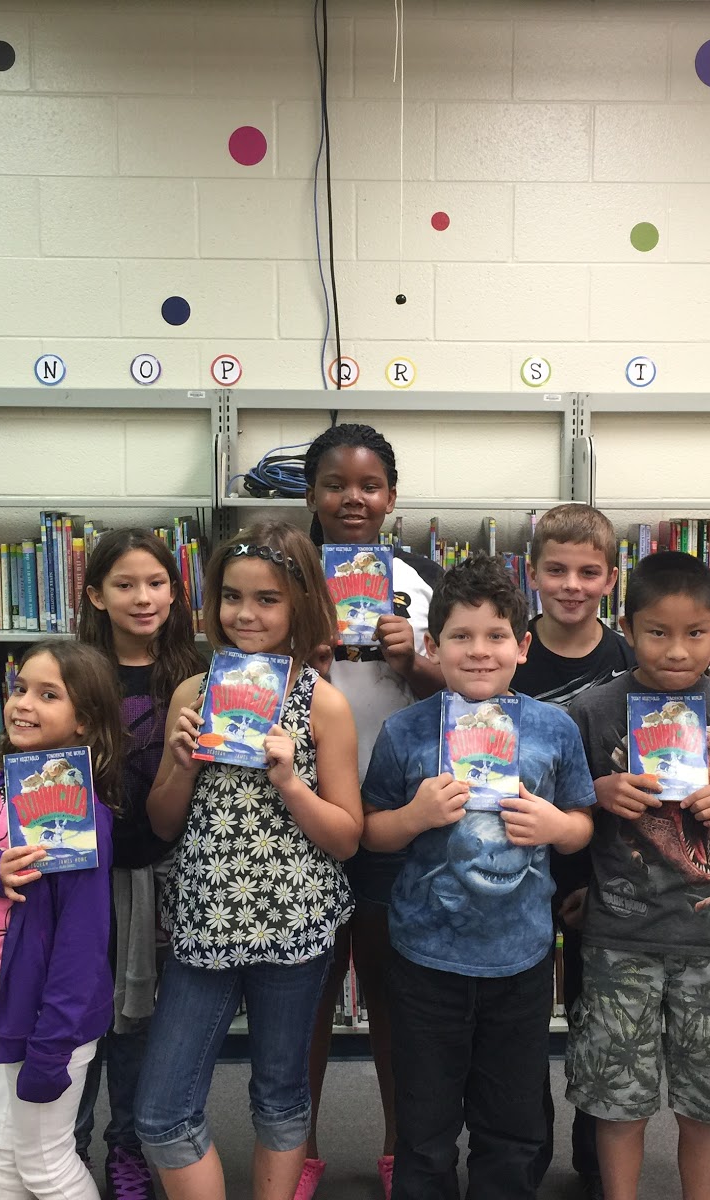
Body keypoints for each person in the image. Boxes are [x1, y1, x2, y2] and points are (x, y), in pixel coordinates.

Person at [136, 521, 363, 1200]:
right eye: (231, 596)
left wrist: (292, 781)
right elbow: (162, 823)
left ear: (299, 604)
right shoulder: (192, 694)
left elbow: (348, 836)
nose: (245, 614)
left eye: (267, 598)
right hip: (205, 924)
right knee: (162, 1112)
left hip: (292, 927)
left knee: (281, 1092)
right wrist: (179, 764)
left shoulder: (323, 704)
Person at [361, 554, 596, 1200]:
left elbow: (582, 824)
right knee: (425, 1123)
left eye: (496, 636)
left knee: (513, 1122)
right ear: (432, 646)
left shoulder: (553, 729)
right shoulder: (406, 731)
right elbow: (371, 829)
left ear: (522, 646)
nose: (479, 651)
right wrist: (413, 816)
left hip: (519, 963)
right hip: (426, 960)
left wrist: (555, 826)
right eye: (460, 637)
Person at [564, 551, 710, 1200]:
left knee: (709, 1100)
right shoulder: (595, 708)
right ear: (627, 627)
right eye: (658, 632)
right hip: (619, 937)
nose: (679, 650)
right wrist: (600, 789)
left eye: (696, 633)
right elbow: (564, 805)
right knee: (616, 1095)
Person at [0, 639, 129, 1200]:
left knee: (44, 1162)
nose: (23, 703)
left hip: (51, 1019)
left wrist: (51, 1046)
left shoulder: (82, 819)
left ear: (84, 723)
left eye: (47, 694)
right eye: (19, 688)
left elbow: (82, 945)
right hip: (11, 1000)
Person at [298, 422, 443, 1200]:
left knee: (392, 989)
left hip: (396, 807)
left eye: (369, 485)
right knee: (308, 990)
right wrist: (304, 661)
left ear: (391, 494)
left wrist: (410, 660)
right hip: (308, 807)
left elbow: (460, 695)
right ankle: (302, 1147)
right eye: (334, 484)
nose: (352, 499)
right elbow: (245, 684)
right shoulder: (284, 573)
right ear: (311, 493)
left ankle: (398, 1145)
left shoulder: (420, 579)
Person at [72, 530, 207, 1200]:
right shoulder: (68, 672)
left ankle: (127, 1150)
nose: (143, 597)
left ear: (175, 590)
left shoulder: (196, 673)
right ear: (95, 594)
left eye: (156, 582)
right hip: (78, 880)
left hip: (160, 872)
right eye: (124, 585)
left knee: (138, 1023)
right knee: (74, 1019)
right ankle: (63, 1155)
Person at [511, 503, 634, 1199]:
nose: (571, 584)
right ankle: (525, 1155)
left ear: (610, 579)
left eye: (589, 572)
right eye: (555, 569)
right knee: (525, 1022)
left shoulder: (628, 661)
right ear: (531, 575)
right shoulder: (511, 652)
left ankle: (595, 1156)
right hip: (518, 870)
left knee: (596, 1017)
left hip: (602, 869)